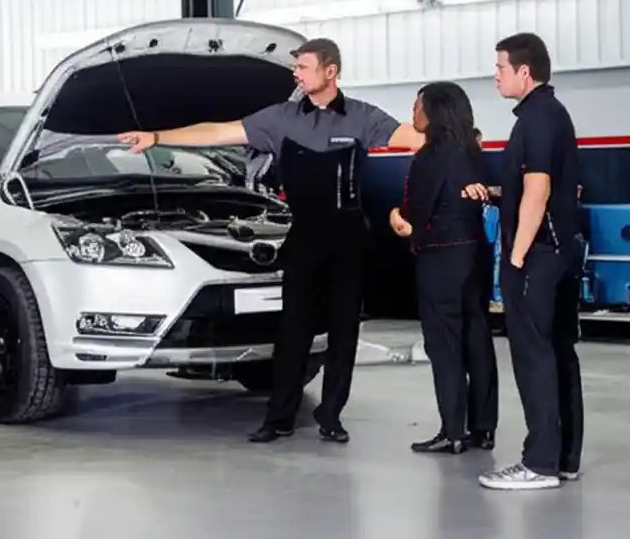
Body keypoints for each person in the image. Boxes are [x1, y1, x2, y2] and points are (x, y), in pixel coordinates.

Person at [116, 37, 424, 443]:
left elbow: (419, 142)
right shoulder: (280, 119)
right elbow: (219, 131)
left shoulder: (363, 117)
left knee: (343, 332)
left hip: (349, 238)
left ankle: (331, 417)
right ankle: (278, 418)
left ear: (330, 71)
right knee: (292, 331)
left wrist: (453, 162)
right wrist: (155, 138)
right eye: (296, 67)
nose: (296, 73)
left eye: (304, 67)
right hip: (304, 236)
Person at [473, 32, 584, 491]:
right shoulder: (552, 114)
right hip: (559, 251)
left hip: (537, 257)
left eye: (500, 67)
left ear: (524, 71)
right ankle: (564, 458)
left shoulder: (536, 119)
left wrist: (515, 258)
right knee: (558, 353)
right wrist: (499, 194)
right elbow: (546, 189)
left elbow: (537, 191)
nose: (495, 75)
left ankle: (538, 464)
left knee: (534, 356)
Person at [388, 82, 498, 455]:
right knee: (478, 340)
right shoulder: (473, 151)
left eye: (417, 106)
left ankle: (452, 431)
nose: (412, 114)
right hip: (475, 255)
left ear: (434, 111)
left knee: (445, 345)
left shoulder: (430, 157)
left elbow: (416, 213)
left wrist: (396, 220)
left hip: (441, 258)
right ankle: (483, 429)